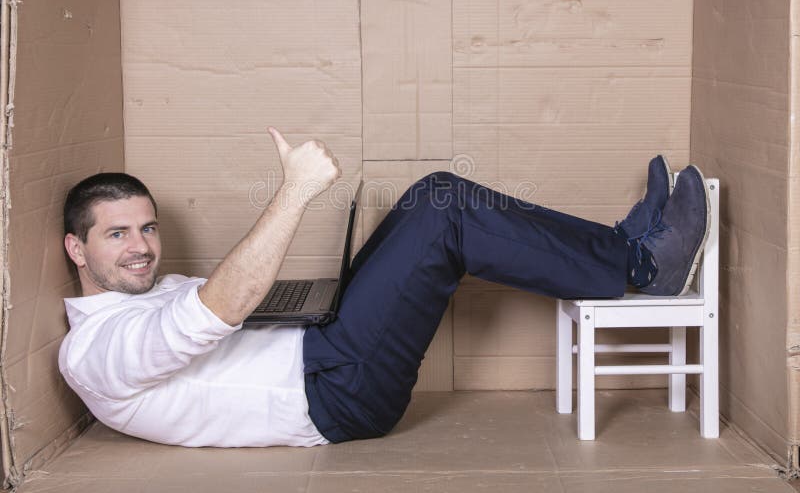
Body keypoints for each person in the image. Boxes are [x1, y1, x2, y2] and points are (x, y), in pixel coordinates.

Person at [59, 128, 709, 448]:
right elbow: (219, 309)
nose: (140, 245)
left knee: (433, 190)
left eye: (145, 227)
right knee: (447, 211)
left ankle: (619, 246)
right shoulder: (92, 350)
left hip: (322, 345)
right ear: (75, 248)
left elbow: (227, 308)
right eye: (116, 235)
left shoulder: (144, 292)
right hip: (335, 392)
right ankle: (644, 267)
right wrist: (294, 191)